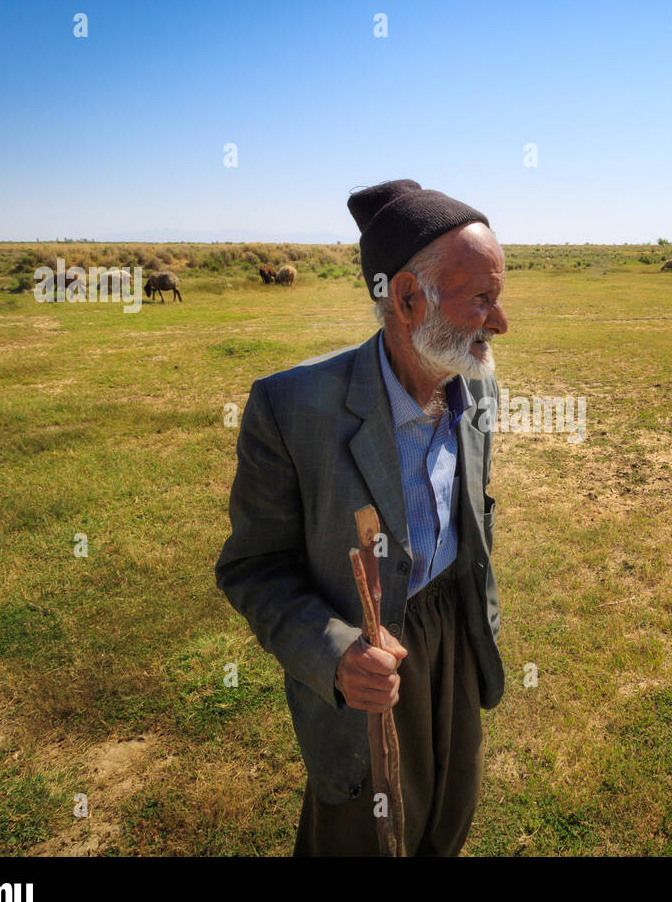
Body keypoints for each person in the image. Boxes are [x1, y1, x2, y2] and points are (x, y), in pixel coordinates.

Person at [216, 180, 508, 855]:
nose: (500, 323)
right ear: (408, 298)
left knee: (446, 816)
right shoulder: (290, 408)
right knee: (361, 836)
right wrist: (335, 653)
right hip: (363, 665)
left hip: (455, 641)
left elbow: (474, 516)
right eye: (483, 299)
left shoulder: (476, 385)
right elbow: (253, 568)